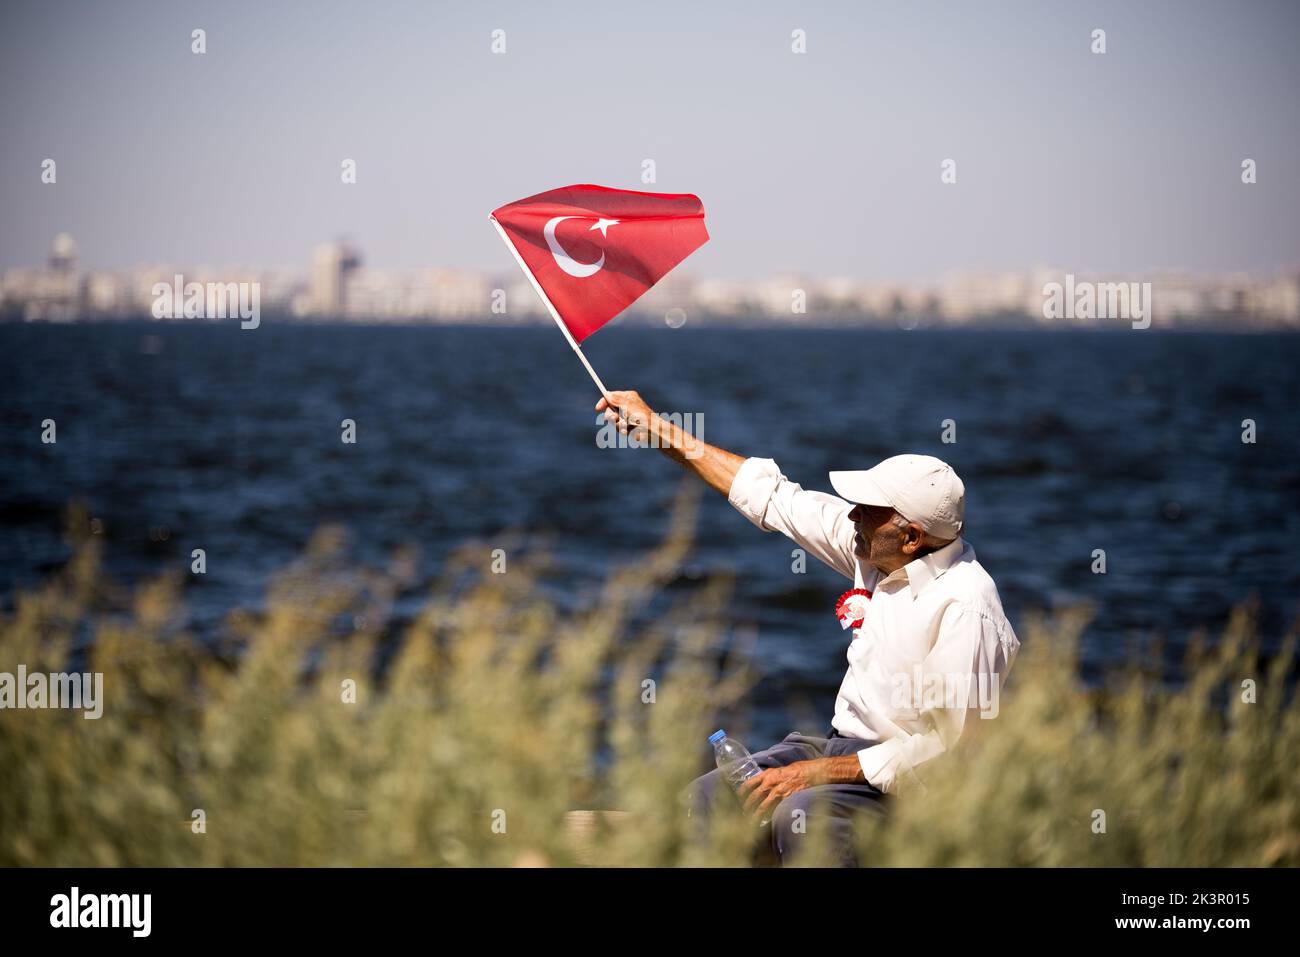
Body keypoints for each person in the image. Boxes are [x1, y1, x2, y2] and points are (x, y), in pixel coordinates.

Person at [595, 389, 1020, 866]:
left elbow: (951, 751)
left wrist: (816, 773)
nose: (853, 516)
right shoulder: (876, 549)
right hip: (842, 749)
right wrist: (656, 428)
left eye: (867, 510)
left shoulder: (967, 606)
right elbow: (773, 497)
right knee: (710, 797)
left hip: (910, 784)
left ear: (911, 537)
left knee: (804, 817)